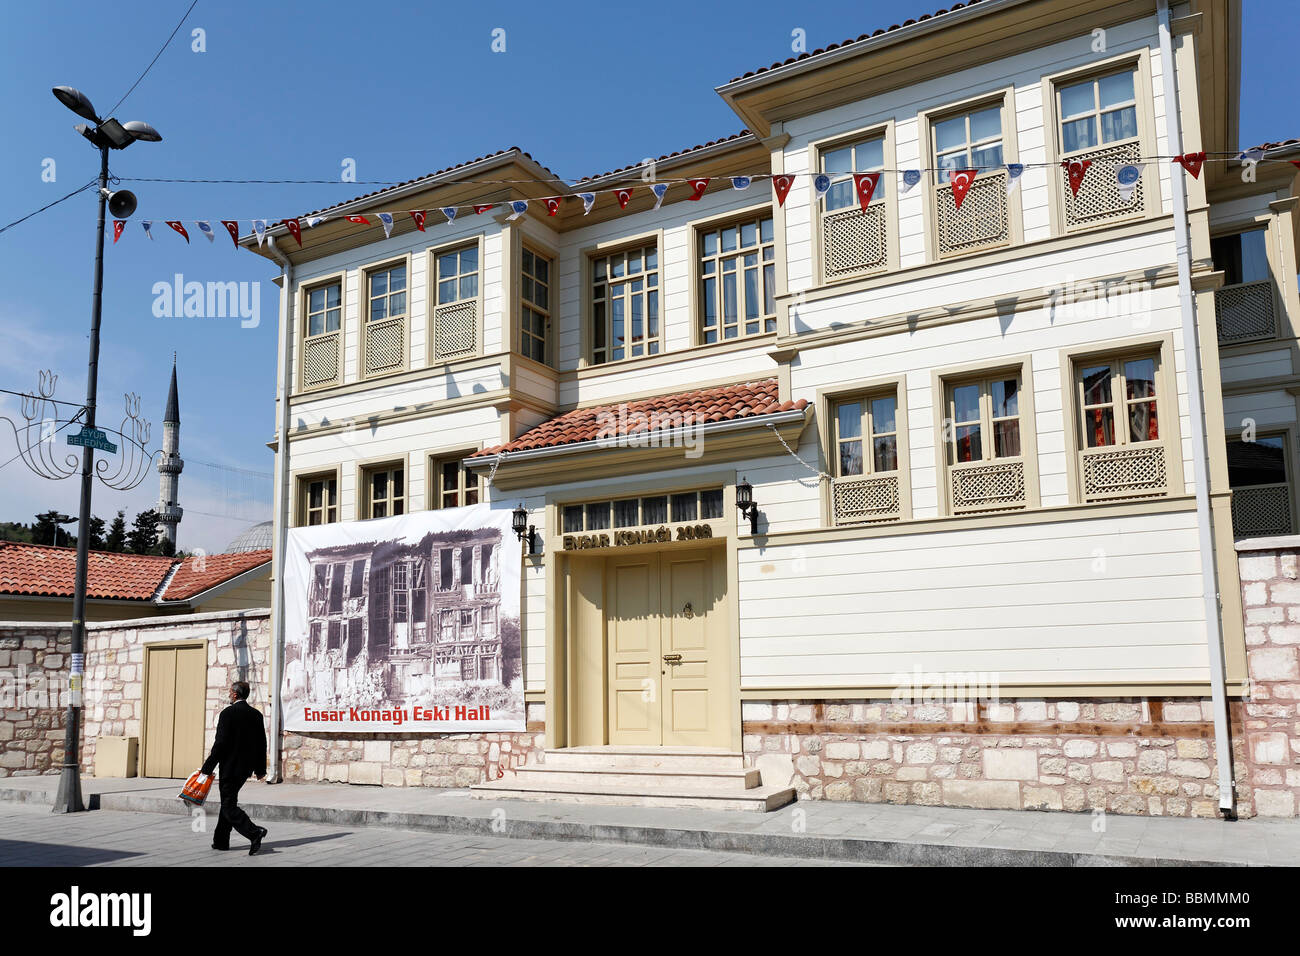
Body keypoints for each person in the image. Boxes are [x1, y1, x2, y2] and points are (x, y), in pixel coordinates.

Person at [201, 681, 269, 855]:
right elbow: (262, 744)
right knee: (228, 802)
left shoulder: (228, 714)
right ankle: (221, 841)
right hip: (245, 769)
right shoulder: (256, 715)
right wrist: (260, 769)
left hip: (230, 768)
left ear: (235, 694)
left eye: (230, 692)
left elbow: (220, 744)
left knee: (229, 806)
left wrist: (207, 767)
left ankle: (254, 833)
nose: (229, 694)